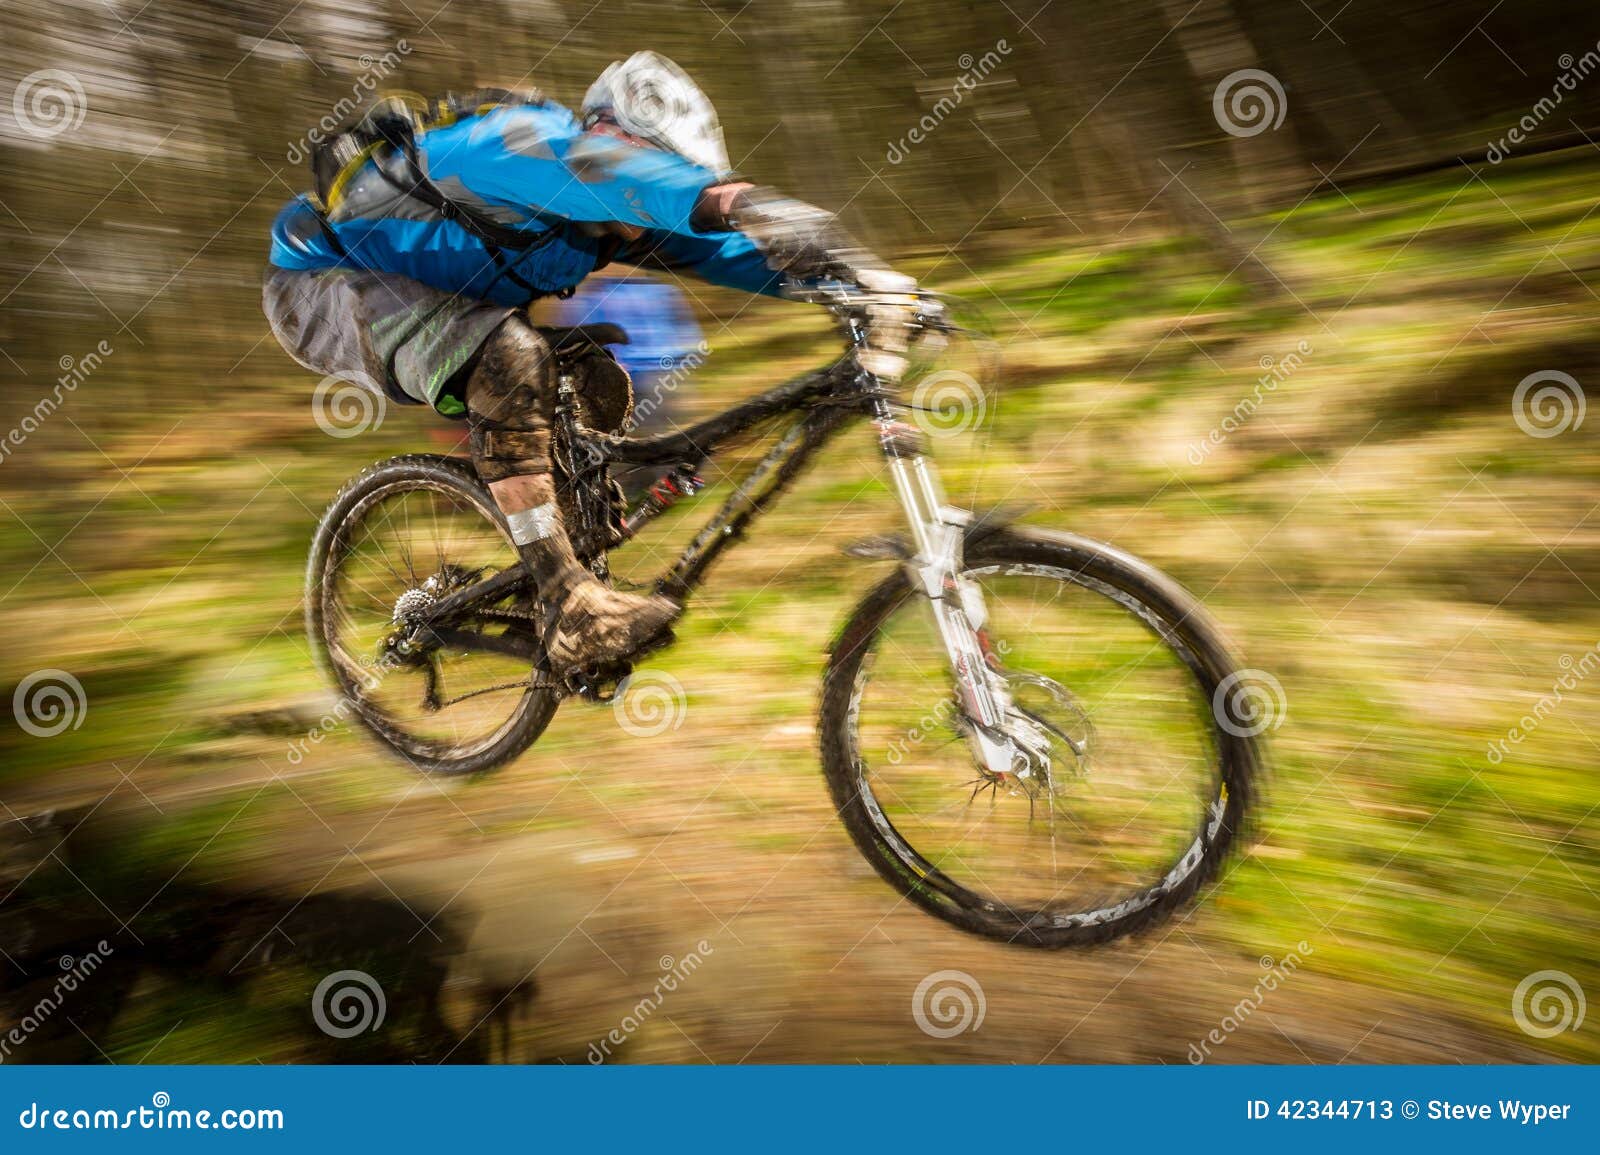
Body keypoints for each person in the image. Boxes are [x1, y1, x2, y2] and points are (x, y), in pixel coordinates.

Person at [264, 52, 920, 674]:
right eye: (657, 163)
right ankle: (565, 603)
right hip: (329, 288)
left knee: (597, 385)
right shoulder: (525, 142)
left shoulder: (608, 215)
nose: (655, 188)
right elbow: (634, 181)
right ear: (612, 137)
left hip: (443, 296)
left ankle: (562, 563)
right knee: (512, 360)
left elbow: (727, 251)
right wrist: (750, 203)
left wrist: (859, 282)